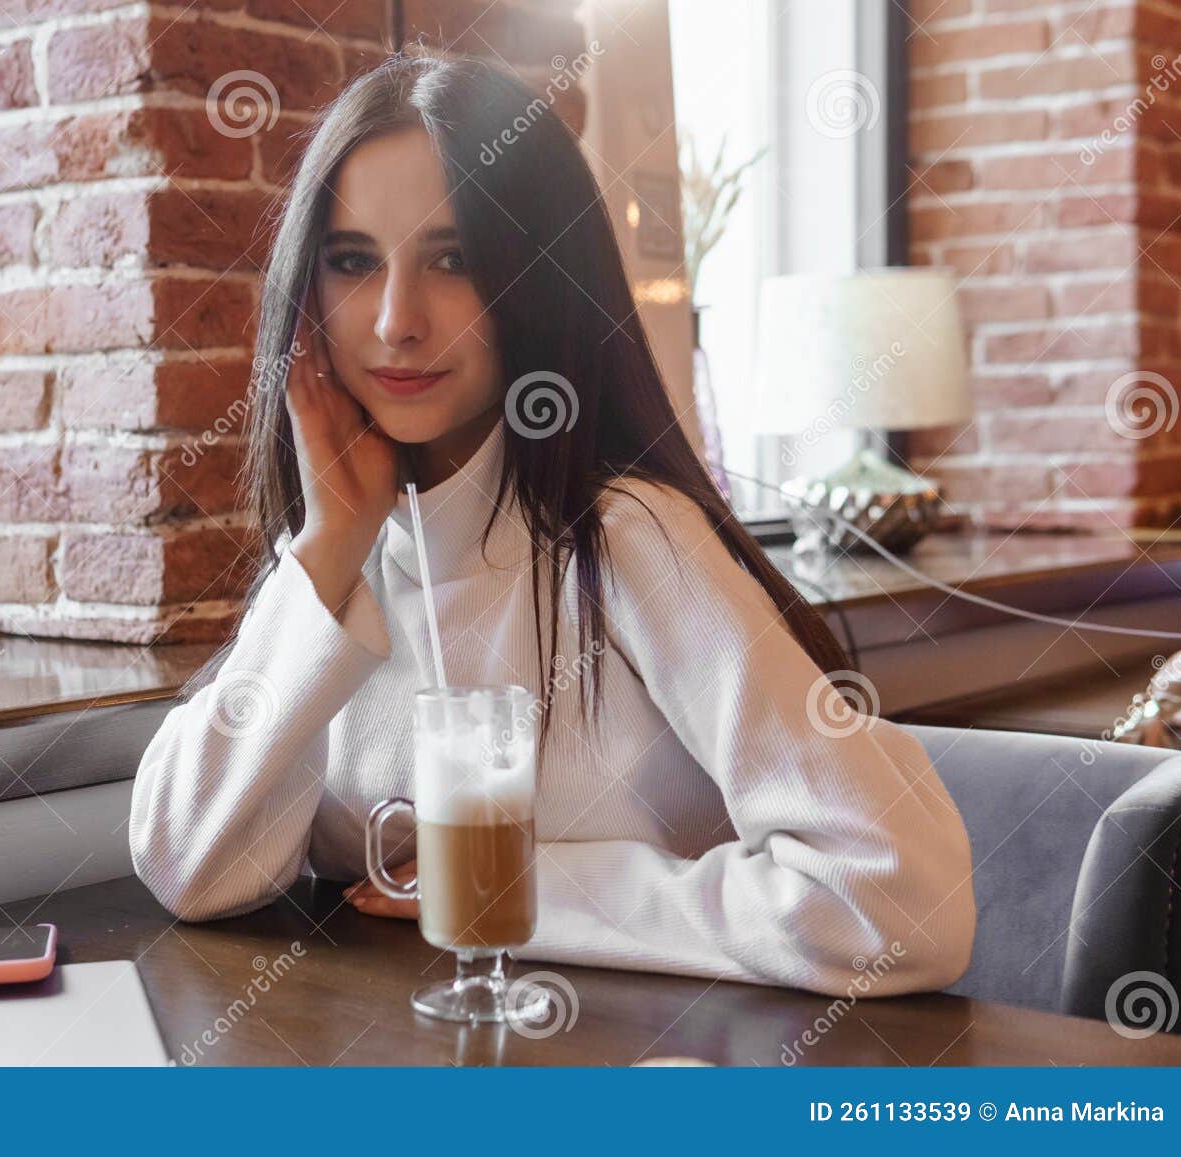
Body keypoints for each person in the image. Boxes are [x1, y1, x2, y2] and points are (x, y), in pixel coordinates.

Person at [127, 49, 976, 998]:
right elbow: (187, 864)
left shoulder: (631, 537)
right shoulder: (339, 555)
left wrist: (523, 885)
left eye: (454, 259)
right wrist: (327, 548)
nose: (397, 319)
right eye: (354, 262)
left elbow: (904, 904)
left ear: (537, 279)